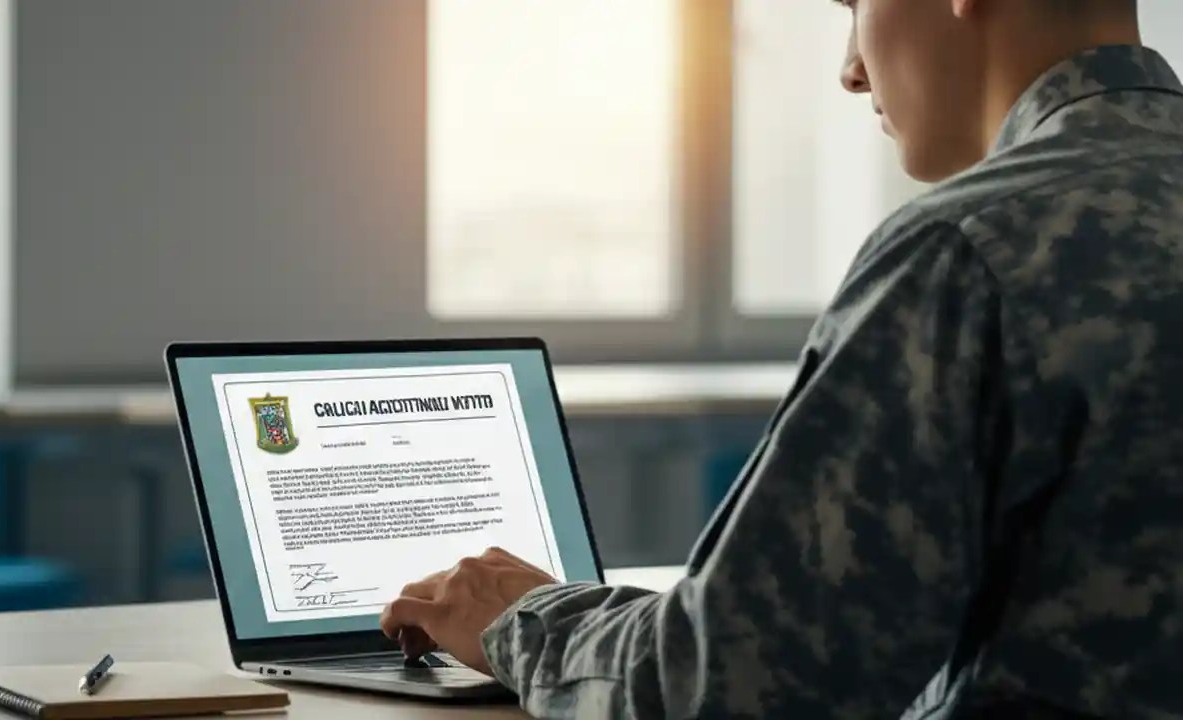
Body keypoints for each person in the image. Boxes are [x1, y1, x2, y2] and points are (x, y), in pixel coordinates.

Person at [381, 0, 1183, 716]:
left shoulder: (966, 251)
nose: (850, 68)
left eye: (855, 4)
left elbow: (735, 686)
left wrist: (520, 618)